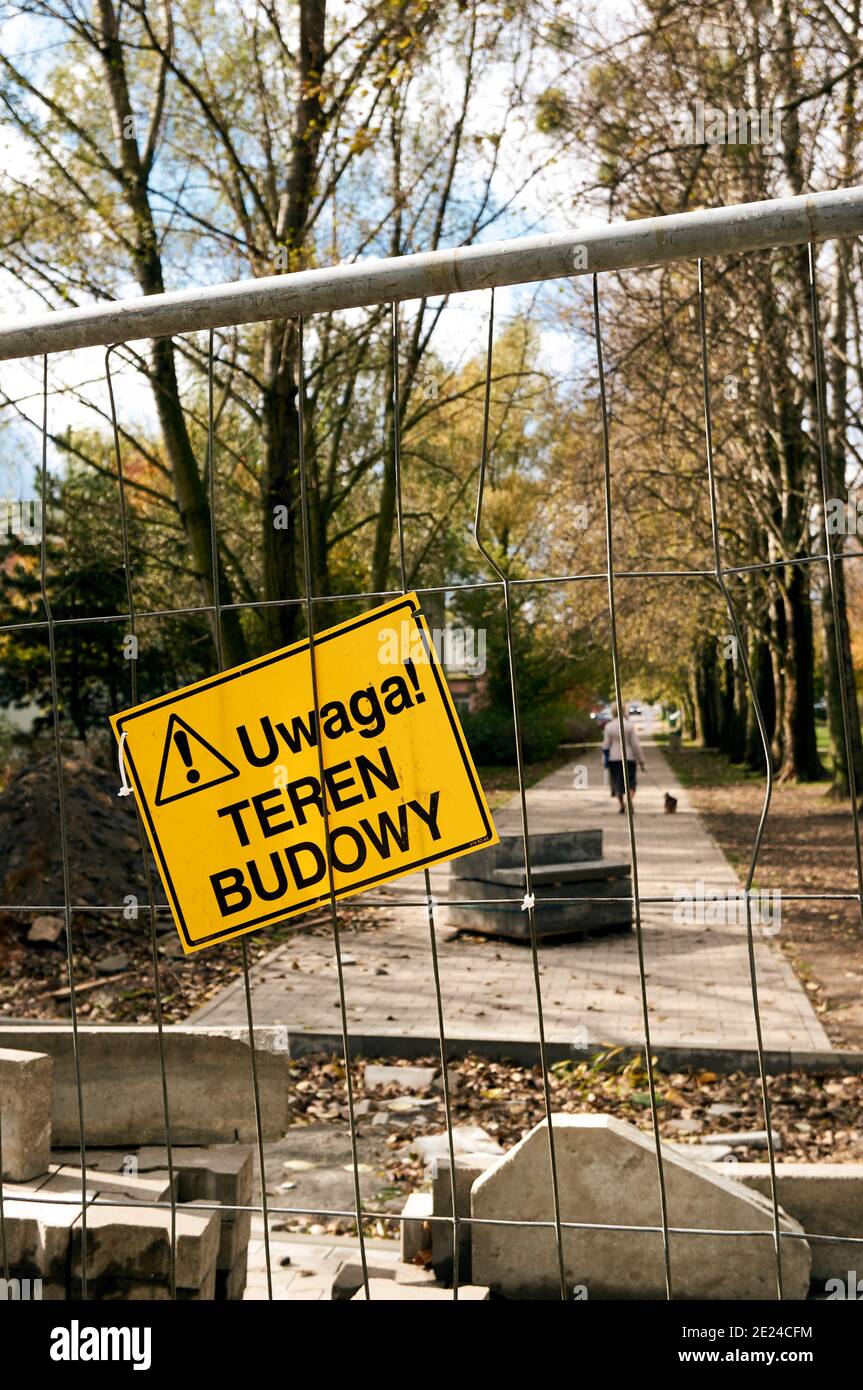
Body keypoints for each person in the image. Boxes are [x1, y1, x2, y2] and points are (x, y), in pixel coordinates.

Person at [602, 702, 645, 813]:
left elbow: (606, 745)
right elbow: (635, 745)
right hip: (629, 757)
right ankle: (629, 801)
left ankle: (622, 805)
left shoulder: (608, 727)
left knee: (618, 783)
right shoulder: (629, 726)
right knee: (631, 782)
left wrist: (604, 761)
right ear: (624, 711)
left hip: (614, 758)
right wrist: (641, 760)